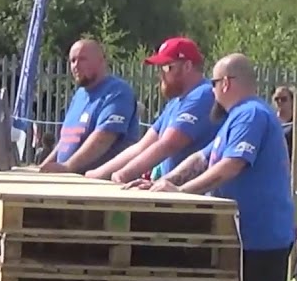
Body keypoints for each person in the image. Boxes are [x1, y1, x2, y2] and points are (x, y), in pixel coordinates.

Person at [132, 54, 295, 281]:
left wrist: (184, 191)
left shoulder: (252, 115)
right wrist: (165, 181)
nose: (210, 90)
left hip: (262, 236)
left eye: (214, 83)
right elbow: (205, 158)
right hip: (243, 234)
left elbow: (231, 165)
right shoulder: (234, 119)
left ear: (226, 82)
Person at [88, 37, 217, 185]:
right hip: (174, 194)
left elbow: (168, 144)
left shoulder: (202, 95)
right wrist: (97, 174)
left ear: (187, 66)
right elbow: (142, 146)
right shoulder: (177, 102)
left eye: (167, 67)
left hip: (192, 198)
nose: (160, 74)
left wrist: (124, 174)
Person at [36, 40, 138, 174]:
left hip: (99, 185)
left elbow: (103, 138)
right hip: (70, 180)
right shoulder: (79, 95)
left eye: (82, 59)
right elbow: (66, 141)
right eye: (72, 61)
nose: (76, 66)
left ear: (102, 61)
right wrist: (44, 167)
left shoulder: (118, 92)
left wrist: (68, 166)